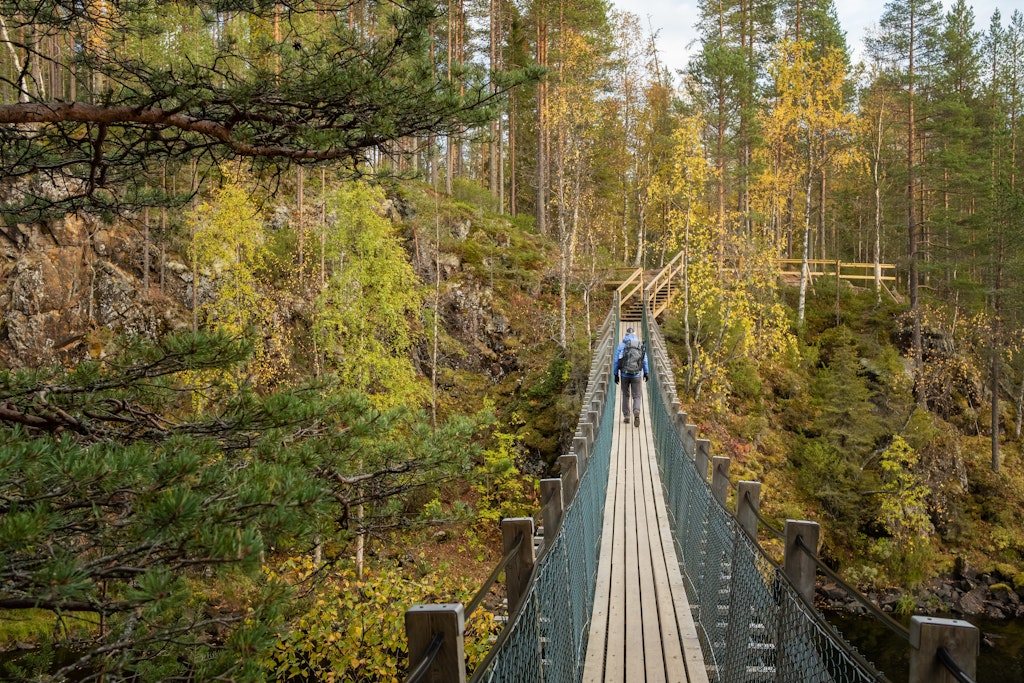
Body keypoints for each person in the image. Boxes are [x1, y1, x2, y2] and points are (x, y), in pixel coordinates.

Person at [613, 327, 648, 427]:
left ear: (626, 335)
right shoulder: (640, 345)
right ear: (635, 334)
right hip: (637, 374)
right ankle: (636, 410)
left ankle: (627, 416)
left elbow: (616, 361)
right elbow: (644, 360)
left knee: (625, 395)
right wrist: (646, 372)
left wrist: (616, 374)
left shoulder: (621, 346)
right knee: (637, 395)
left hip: (624, 374)